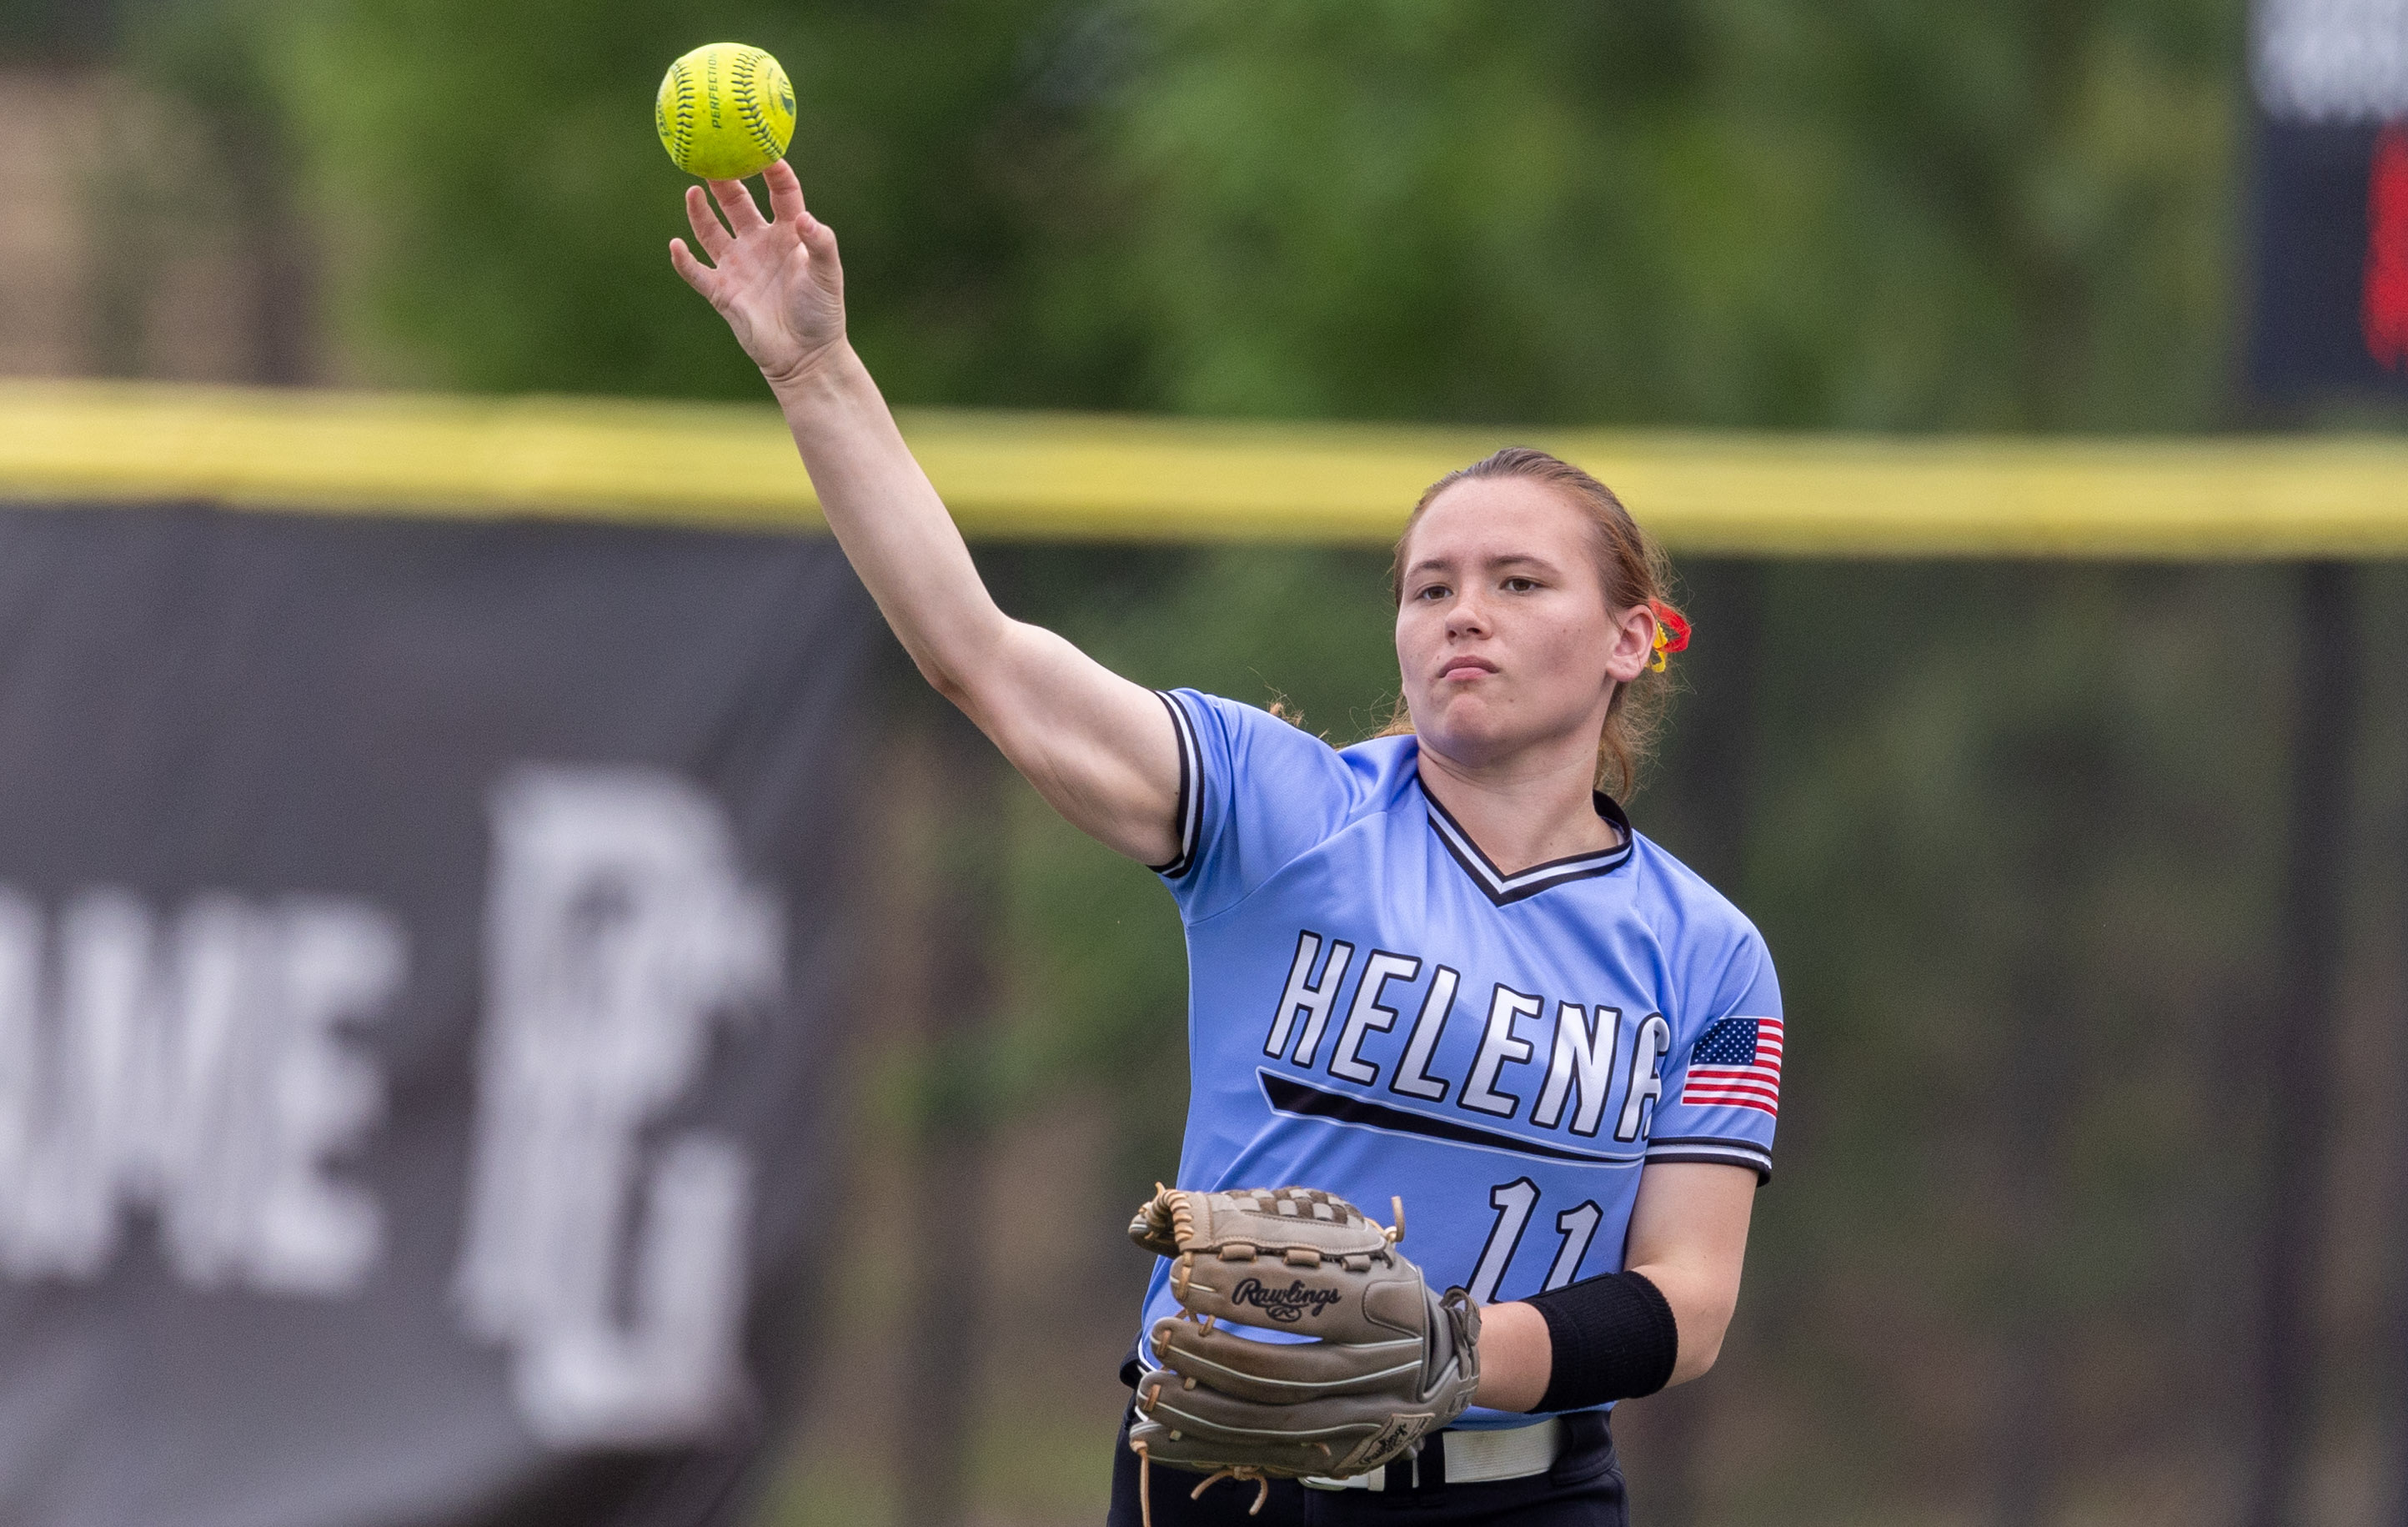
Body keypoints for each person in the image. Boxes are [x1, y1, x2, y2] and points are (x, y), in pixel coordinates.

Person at [673, 162, 1781, 1527]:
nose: (1462, 613)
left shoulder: (1706, 954)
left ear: (1629, 640)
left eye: (1517, 581)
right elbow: (981, 658)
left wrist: (1452, 1352)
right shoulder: (1285, 813)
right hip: (1230, 1485)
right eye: (1430, 585)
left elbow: (1692, 1298)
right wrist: (816, 372)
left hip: (1522, 1500)